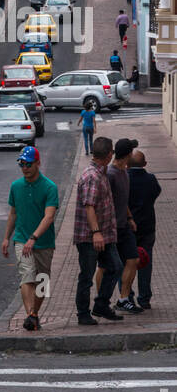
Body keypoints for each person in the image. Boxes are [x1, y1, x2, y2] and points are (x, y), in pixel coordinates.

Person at [1, 145, 59, 332]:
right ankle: (30, 316)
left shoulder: (50, 187)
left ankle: (34, 314)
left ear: (38, 163)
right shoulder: (16, 186)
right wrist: (6, 238)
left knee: (43, 281)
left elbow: (49, 216)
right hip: (21, 239)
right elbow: (13, 213)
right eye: (22, 164)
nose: (24, 168)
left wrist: (34, 237)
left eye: (28, 164)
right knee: (27, 276)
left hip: (43, 242)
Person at [73, 135, 124, 324]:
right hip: (90, 237)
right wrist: (96, 233)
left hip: (104, 236)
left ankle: (101, 305)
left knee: (115, 267)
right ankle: (83, 313)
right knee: (86, 275)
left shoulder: (100, 172)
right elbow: (89, 206)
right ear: (109, 154)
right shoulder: (92, 177)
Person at [95, 138, 140, 314]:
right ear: (128, 154)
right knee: (105, 266)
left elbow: (123, 200)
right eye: (132, 151)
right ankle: (101, 300)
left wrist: (129, 218)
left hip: (124, 226)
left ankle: (123, 298)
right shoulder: (111, 174)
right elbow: (105, 202)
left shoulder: (125, 173)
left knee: (133, 260)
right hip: (109, 228)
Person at [128, 149, 161, 311]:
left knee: (126, 262)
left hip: (129, 227)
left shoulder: (124, 178)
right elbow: (156, 193)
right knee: (146, 262)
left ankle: (127, 296)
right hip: (147, 226)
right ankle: (145, 298)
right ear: (145, 164)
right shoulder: (151, 179)